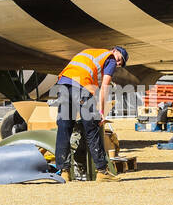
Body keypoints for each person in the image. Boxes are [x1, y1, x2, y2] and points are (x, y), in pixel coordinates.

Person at [54, 46, 127, 182]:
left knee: (64, 128)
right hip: (81, 86)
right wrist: (101, 111)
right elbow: (105, 86)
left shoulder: (90, 52)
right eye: (119, 60)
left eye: (119, 64)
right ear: (114, 51)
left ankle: (64, 172)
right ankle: (102, 171)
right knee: (92, 128)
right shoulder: (109, 58)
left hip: (63, 84)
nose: (117, 64)